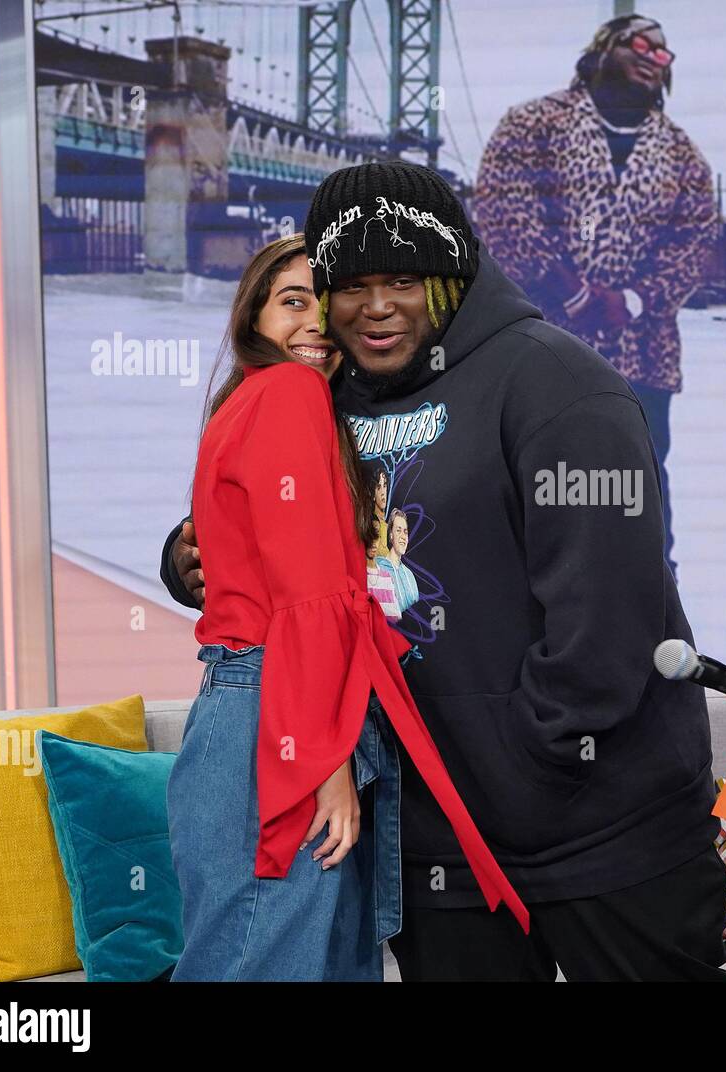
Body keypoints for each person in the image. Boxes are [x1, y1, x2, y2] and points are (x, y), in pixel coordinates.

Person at [161, 162, 726, 982]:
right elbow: (274, 523)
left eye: (404, 277)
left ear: (452, 269)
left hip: (602, 825)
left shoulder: (555, 382)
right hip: (438, 843)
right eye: (350, 284)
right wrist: (187, 555)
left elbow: (608, 615)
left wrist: (530, 756)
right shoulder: (326, 394)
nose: (377, 305)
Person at [165, 234, 527, 982]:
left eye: (324, 306)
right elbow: (307, 597)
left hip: (255, 710)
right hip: (281, 715)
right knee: (270, 961)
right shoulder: (290, 394)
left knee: (275, 954)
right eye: (292, 302)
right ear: (251, 316)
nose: (315, 325)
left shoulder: (253, 403)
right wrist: (324, 757)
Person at [471, 12, 719, 582]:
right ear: (603, 49)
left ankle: (652, 598)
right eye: (643, 43)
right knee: (539, 471)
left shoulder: (681, 153)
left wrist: (633, 299)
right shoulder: (533, 122)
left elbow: (695, 238)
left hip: (644, 349)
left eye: (665, 53)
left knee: (642, 473)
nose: (656, 56)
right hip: (541, 339)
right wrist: (571, 290)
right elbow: (505, 209)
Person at [375, 508, 420, 617]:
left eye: (405, 531)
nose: (403, 537)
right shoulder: (377, 570)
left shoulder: (409, 575)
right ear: (391, 535)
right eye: (398, 530)